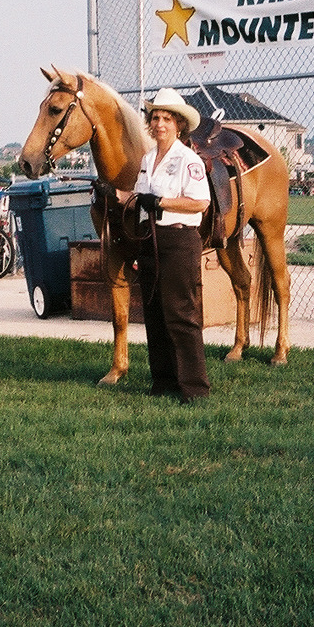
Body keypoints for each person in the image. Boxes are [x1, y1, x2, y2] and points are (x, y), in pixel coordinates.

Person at [118, 87, 212, 402]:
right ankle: (164, 383)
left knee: (181, 314)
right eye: (155, 117)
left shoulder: (188, 159)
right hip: (151, 240)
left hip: (178, 241)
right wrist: (117, 196)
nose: (159, 124)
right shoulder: (147, 159)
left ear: (179, 125)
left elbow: (200, 202)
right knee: (155, 313)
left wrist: (161, 202)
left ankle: (194, 389)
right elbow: (139, 199)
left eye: (167, 118)